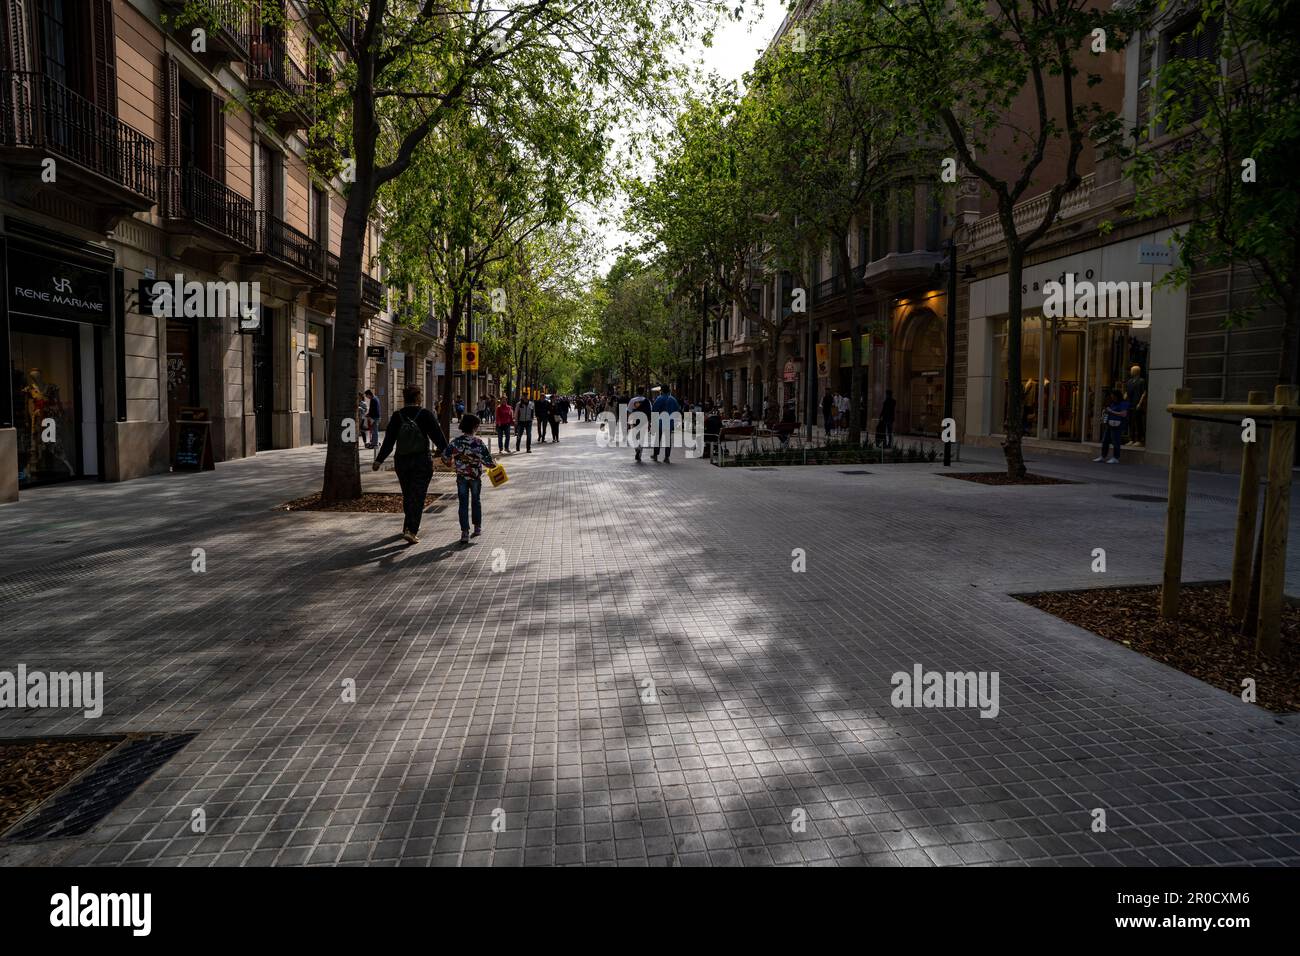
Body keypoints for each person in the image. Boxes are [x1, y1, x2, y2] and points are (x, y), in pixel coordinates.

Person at [372, 385, 448, 545]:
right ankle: (412, 530)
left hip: (402, 461)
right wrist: (447, 455)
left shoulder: (397, 415)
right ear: (418, 397)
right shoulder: (425, 414)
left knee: (408, 494)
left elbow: (389, 440)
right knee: (418, 495)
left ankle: (407, 526)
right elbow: (437, 436)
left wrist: (379, 460)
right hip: (421, 461)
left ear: (404, 398)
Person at [442, 413, 496, 544]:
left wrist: (450, 463)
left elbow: (445, 457)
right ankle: (477, 527)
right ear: (474, 427)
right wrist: (494, 464)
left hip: (461, 477)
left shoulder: (456, 442)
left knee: (463, 503)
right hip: (475, 477)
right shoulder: (478, 443)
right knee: (476, 501)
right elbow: (488, 462)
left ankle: (464, 532)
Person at [1095, 389, 1129, 464]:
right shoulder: (1112, 403)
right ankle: (1103, 456)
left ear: (1117, 396)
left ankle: (1116, 457)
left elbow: (1124, 414)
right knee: (1105, 441)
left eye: (1113, 396)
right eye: (1111, 396)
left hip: (1117, 425)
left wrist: (1111, 411)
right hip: (1109, 424)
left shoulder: (1123, 403)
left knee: (1115, 441)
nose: (1112, 397)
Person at [651, 384, 681, 463]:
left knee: (658, 439)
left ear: (661, 391)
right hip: (670, 423)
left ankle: (655, 455)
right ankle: (667, 457)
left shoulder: (659, 399)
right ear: (669, 390)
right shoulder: (673, 399)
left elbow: (654, 410)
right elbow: (677, 410)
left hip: (660, 422)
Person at [1125, 365, 1148, 445]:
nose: (1131, 372)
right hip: (1130, 403)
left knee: (1138, 421)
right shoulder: (1129, 382)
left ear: (1136, 371)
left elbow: (1144, 393)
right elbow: (1127, 392)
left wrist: (1140, 403)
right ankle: (1131, 438)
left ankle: (1139, 439)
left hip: (1137, 403)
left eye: (1132, 370)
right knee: (1130, 421)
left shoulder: (1141, 381)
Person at [628, 393, 652, 462]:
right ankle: (639, 455)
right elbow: (650, 412)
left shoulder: (632, 400)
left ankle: (637, 448)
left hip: (635, 421)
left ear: (637, 392)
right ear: (643, 392)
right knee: (642, 438)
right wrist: (649, 422)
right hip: (644, 421)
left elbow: (629, 411)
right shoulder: (647, 401)